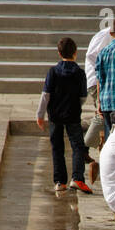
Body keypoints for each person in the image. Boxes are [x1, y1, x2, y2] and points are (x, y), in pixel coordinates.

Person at [36, 36, 91, 198]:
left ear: (59, 53)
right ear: (75, 53)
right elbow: (83, 96)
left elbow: (46, 95)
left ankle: (60, 182)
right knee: (77, 146)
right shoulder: (80, 73)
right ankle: (77, 178)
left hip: (55, 115)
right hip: (73, 114)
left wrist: (40, 115)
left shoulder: (53, 72)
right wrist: (75, 106)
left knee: (57, 148)